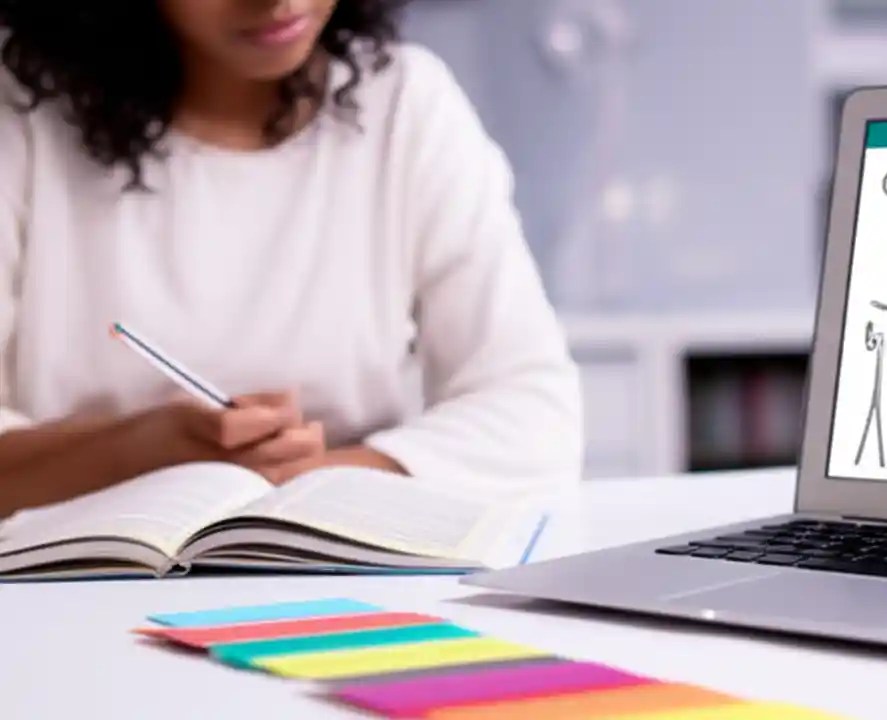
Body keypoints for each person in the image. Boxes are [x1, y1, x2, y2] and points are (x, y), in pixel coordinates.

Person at [0, 0, 583, 516]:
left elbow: (533, 411)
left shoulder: (402, 102)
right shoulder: (20, 115)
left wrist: (301, 484)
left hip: (334, 561)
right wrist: (134, 451)